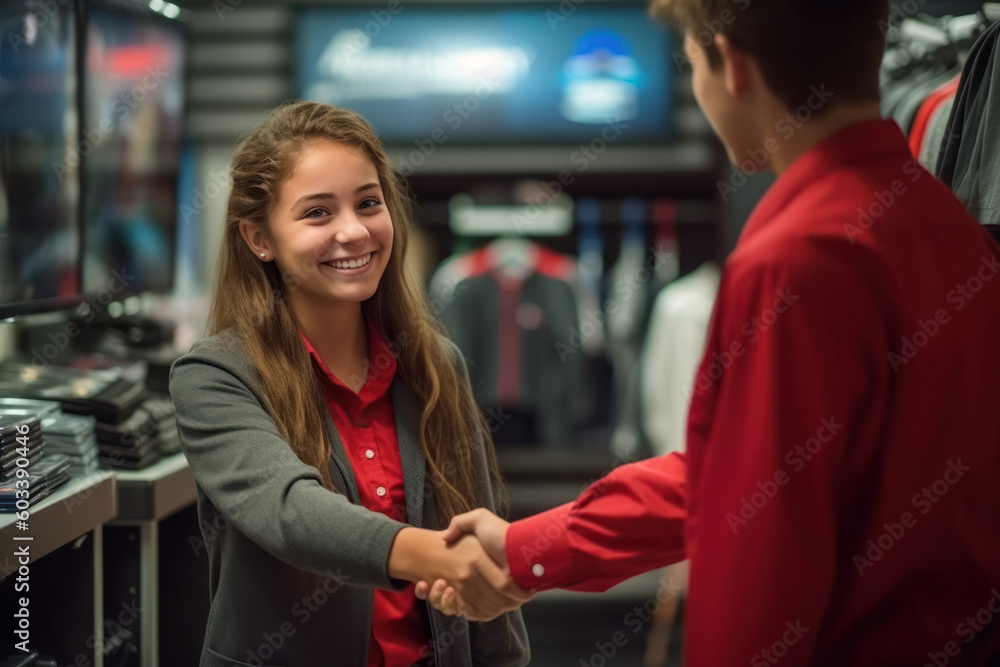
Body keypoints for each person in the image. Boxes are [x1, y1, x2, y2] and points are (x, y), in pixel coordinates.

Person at [416, 0, 1000, 664]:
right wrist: (529, 550)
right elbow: (742, 477)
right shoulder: (956, 233)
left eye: (693, 61)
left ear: (731, 64)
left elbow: (759, 560)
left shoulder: (793, 256)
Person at [169, 101, 530, 667]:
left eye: (368, 203)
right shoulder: (214, 376)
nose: (354, 231)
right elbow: (288, 511)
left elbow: (488, 587)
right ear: (259, 238)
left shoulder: (437, 365)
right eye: (317, 213)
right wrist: (432, 556)